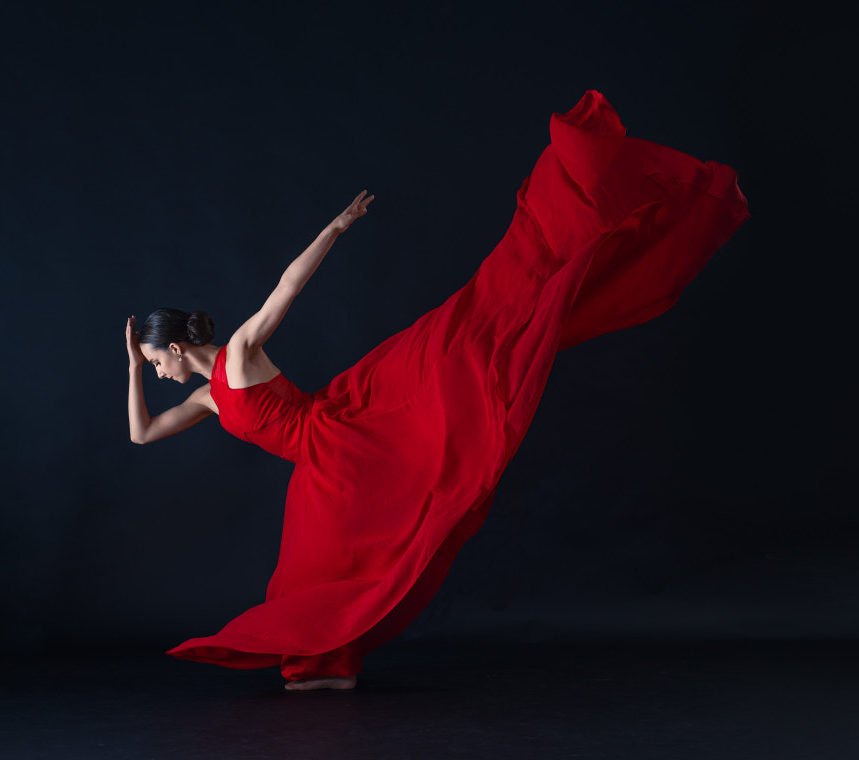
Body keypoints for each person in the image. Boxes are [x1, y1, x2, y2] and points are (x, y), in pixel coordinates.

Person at [125, 90, 751, 691]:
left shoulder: (239, 354)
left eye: (154, 362)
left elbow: (285, 288)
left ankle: (573, 232)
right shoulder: (206, 399)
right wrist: (131, 366)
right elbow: (142, 433)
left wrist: (336, 228)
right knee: (310, 577)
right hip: (318, 473)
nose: (158, 374)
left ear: (177, 347)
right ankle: (328, 665)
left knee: (466, 339)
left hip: (343, 436)